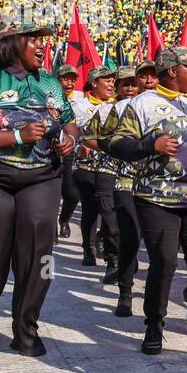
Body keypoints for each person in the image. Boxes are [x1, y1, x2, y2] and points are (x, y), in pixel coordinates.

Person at [0, 20, 78, 356]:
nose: (41, 45)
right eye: (33, 39)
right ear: (11, 43)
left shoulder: (51, 85)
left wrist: (70, 140)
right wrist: (17, 136)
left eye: (43, 40)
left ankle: (26, 328)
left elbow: (68, 121)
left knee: (39, 255)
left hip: (41, 177)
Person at [110, 47, 187, 353]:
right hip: (156, 197)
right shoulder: (142, 104)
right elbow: (117, 143)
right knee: (164, 261)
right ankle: (154, 324)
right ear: (173, 70)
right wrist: (150, 144)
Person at [99, 66, 143, 317]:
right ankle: (125, 293)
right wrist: (127, 148)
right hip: (123, 178)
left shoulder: (167, 107)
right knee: (128, 235)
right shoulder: (114, 110)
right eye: (125, 84)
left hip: (158, 184)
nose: (130, 88)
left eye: (133, 83)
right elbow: (97, 137)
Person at [73, 66, 119, 273]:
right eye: (106, 81)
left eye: (112, 81)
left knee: (109, 210)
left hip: (111, 167)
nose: (111, 84)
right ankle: (88, 248)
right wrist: (77, 147)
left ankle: (108, 248)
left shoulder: (119, 105)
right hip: (86, 166)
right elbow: (71, 135)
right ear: (94, 83)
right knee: (90, 209)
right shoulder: (79, 106)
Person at [55, 63, 81, 239]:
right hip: (50, 151)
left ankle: (64, 219)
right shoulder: (50, 97)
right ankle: (50, 229)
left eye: (72, 80)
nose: (69, 83)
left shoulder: (81, 100)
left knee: (71, 194)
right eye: (65, 79)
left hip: (71, 151)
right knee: (52, 193)